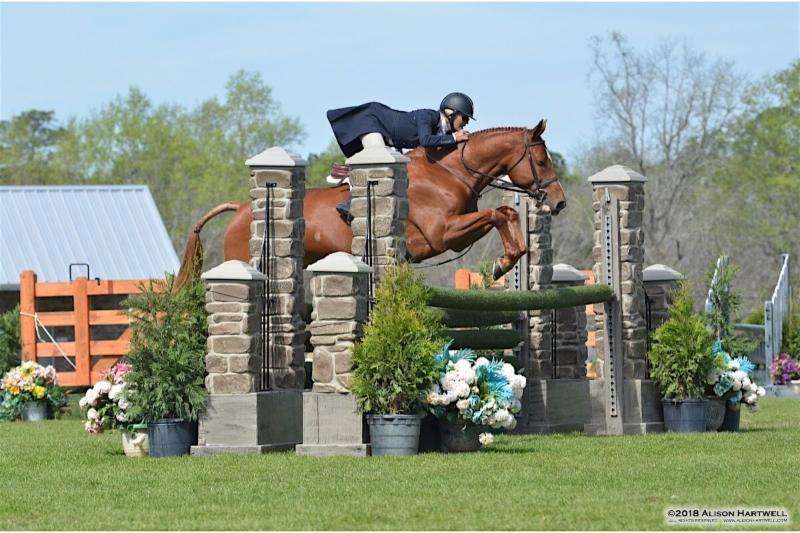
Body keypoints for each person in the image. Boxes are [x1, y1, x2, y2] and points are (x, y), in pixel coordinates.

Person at [326, 92, 475, 222]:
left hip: (391, 139)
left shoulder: (443, 132)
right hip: (373, 121)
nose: (466, 123)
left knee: (396, 169)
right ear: (452, 112)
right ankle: (350, 203)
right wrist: (455, 138)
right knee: (379, 160)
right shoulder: (429, 116)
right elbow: (425, 140)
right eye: (465, 118)